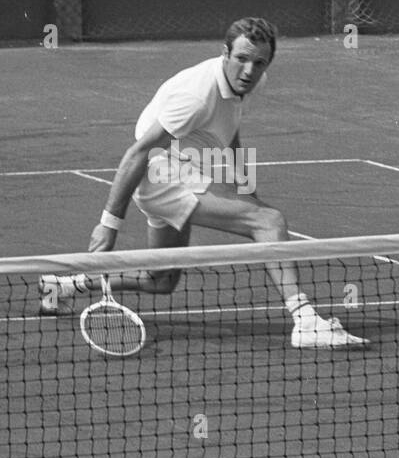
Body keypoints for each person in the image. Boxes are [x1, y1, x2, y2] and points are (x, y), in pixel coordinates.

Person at [40, 17, 366, 349]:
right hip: (162, 174)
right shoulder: (196, 95)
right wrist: (108, 224)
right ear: (224, 53)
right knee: (269, 221)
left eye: (259, 62)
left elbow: (232, 128)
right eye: (241, 59)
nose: (249, 71)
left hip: (185, 169)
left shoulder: (250, 82)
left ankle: (64, 285)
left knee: (161, 278)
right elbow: (138, 152)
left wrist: (245, 185)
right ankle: (305, 321)